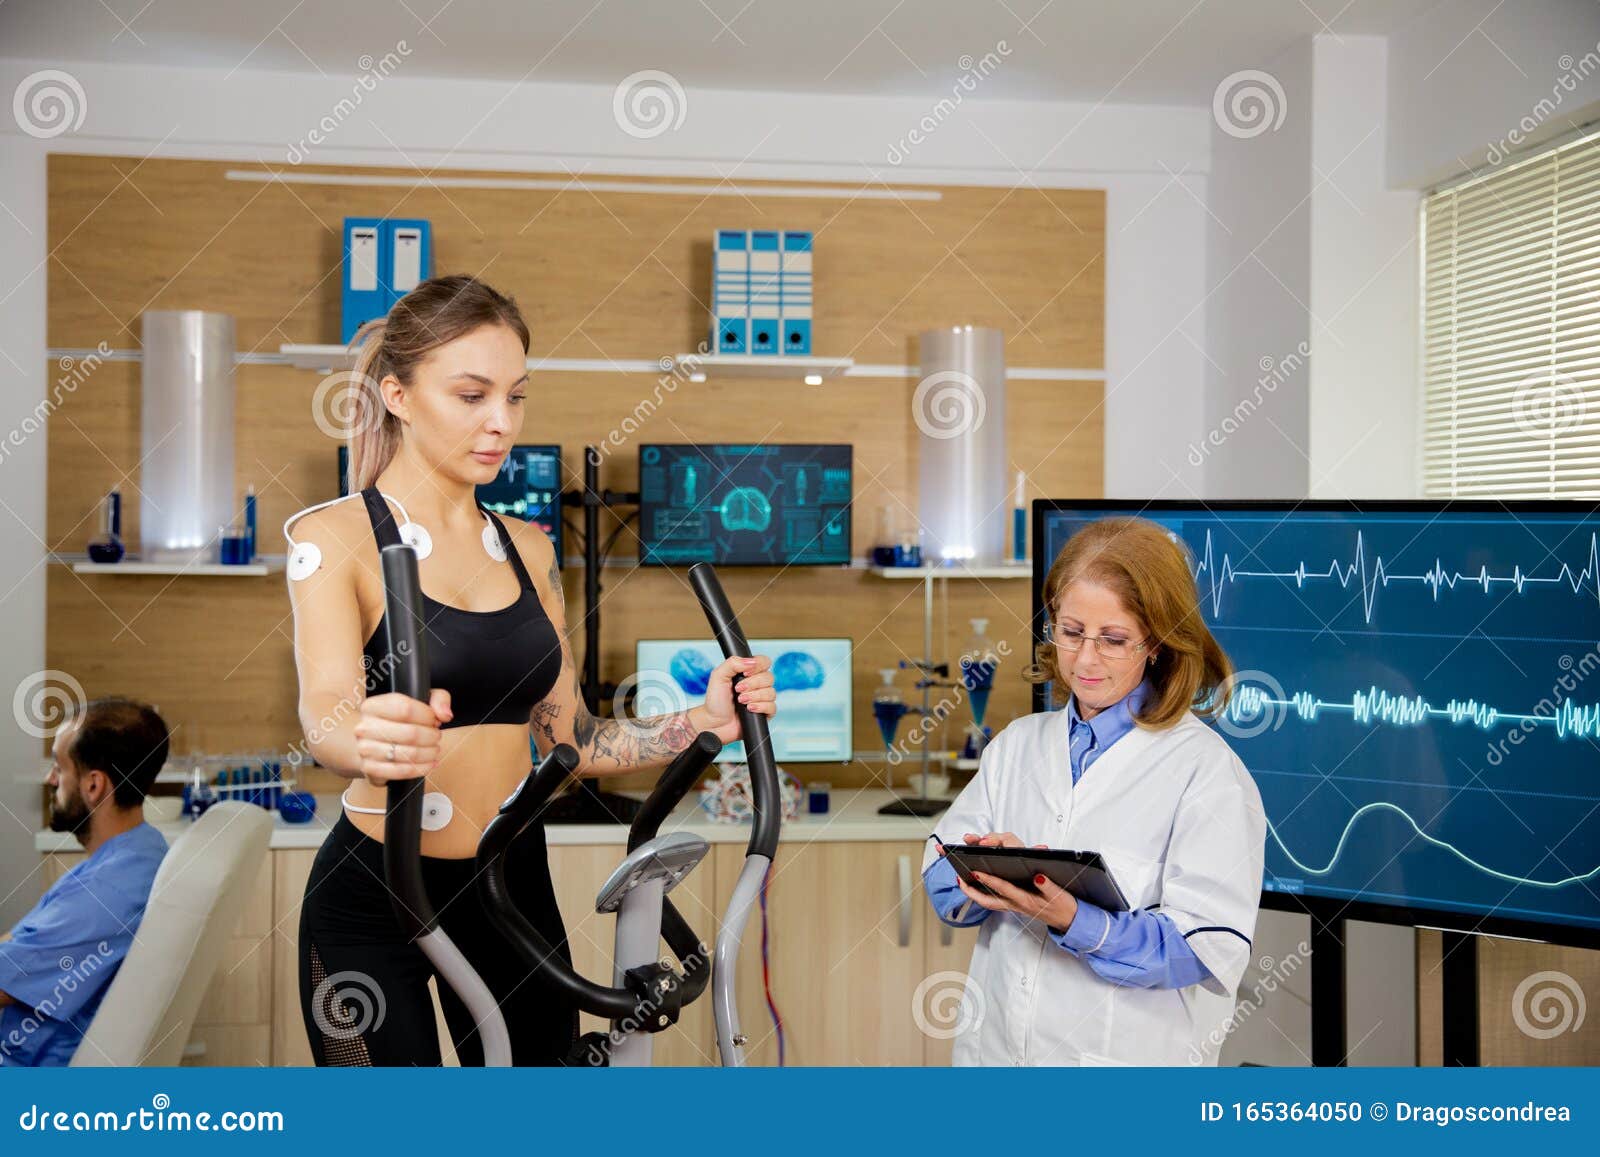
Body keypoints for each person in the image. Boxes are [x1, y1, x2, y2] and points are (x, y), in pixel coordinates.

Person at [286, 274, 777, 1067]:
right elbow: (326, 715)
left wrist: (703, 721)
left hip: (506, 881)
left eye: (515, 397)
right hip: (374, 891)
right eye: (472, 395)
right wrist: (371, 738)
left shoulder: (531, 547)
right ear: (398, 395)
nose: (500, 423)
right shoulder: (333, 536)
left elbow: (571, 739)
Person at [921, 517, 1265, 1066]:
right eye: (1072, 631)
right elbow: (939, 876)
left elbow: (1203, 947)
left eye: (1113, 640)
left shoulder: (1206, 771)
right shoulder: (1016, 746)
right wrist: (982, 872)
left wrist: (1072, 919)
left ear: (1156, 642)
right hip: (993, 1058)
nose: (1084, 659)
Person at [0, 698, 171, 1066]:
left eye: (60, 767)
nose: (51, 779)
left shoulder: (107, 894)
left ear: (94, 785)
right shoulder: (141, 850)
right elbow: (21, 943)